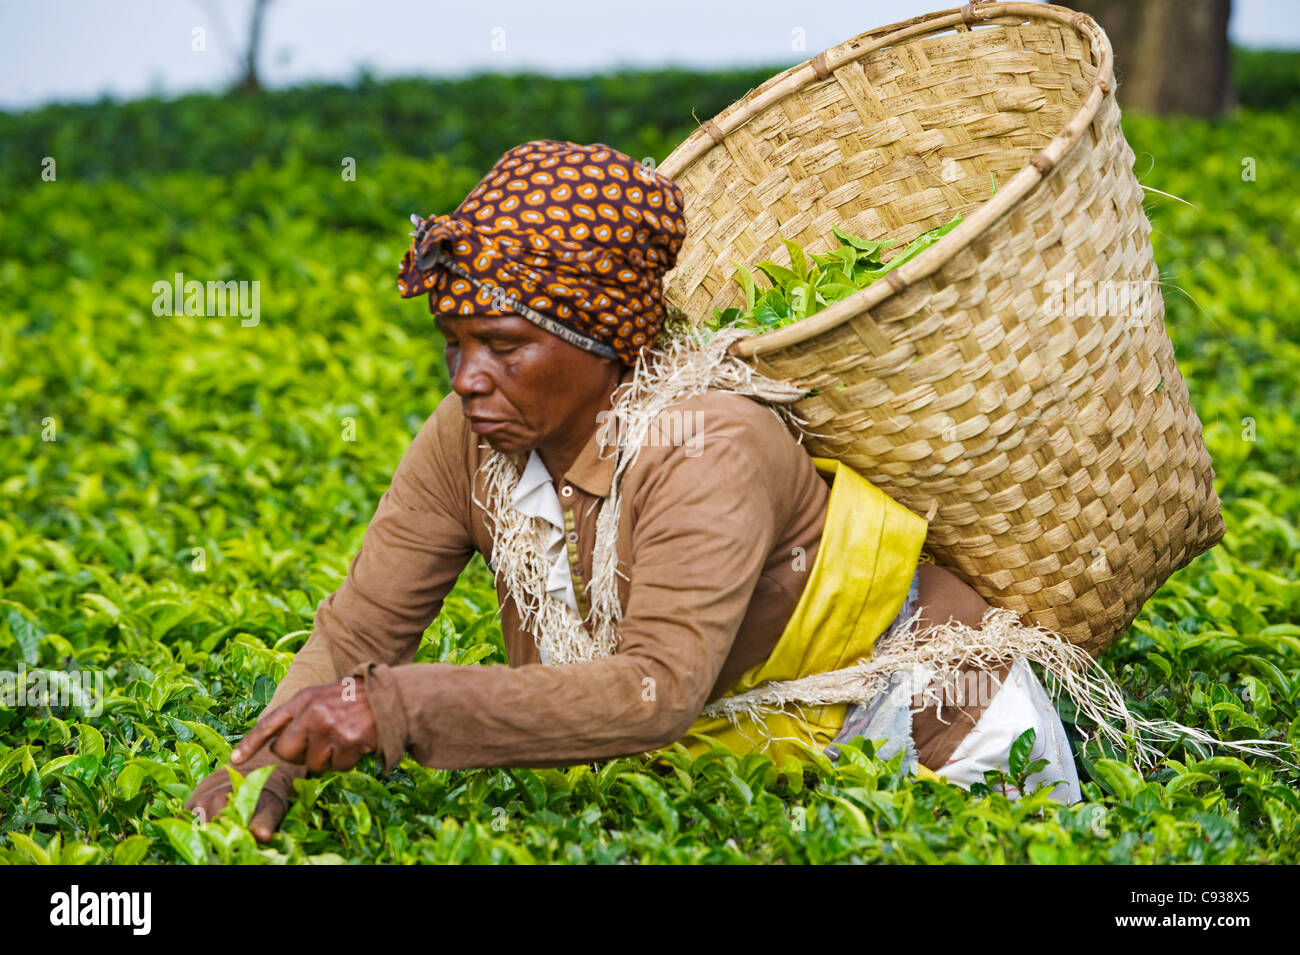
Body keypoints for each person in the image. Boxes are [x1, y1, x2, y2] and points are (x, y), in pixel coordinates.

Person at [185, 140, 1081, 844]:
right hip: (743, 775)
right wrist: (250, 773)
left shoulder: (706, 442)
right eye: (452, 343)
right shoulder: (466, 439)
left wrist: (397, 707)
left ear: (604, 342)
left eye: (502, 343)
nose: (466, 377)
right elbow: (359, 630)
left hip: (930, 748)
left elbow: (657, 689)